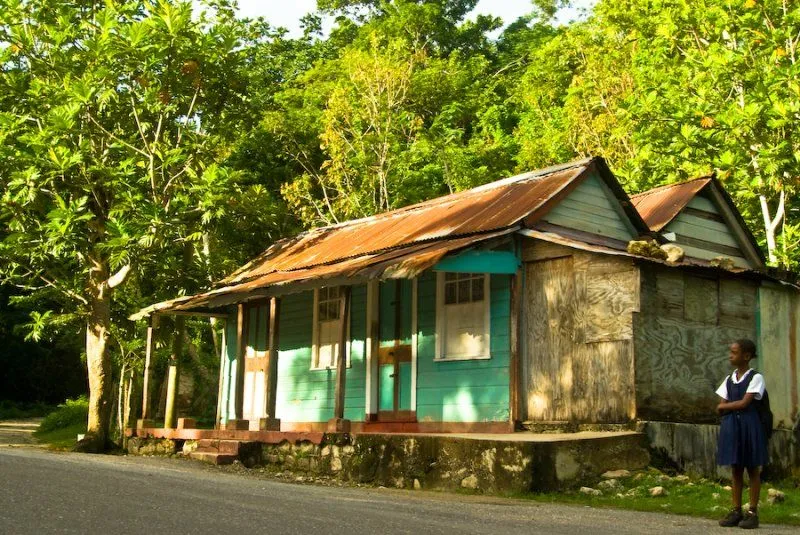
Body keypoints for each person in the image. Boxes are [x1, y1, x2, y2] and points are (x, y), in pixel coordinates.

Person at [716, 339, 768, 529]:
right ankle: (736, 510)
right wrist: (726, 406)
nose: (731, 355)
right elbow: (721, 405)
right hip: (733, 428)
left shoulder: (756, 378)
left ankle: (752, 512)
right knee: (736, 468)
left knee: (752, 468)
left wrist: (725, 406)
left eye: (734, 352)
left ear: (746, 356)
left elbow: (743, 403)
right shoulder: (729, 379)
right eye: (731, 352)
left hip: (749, 426)